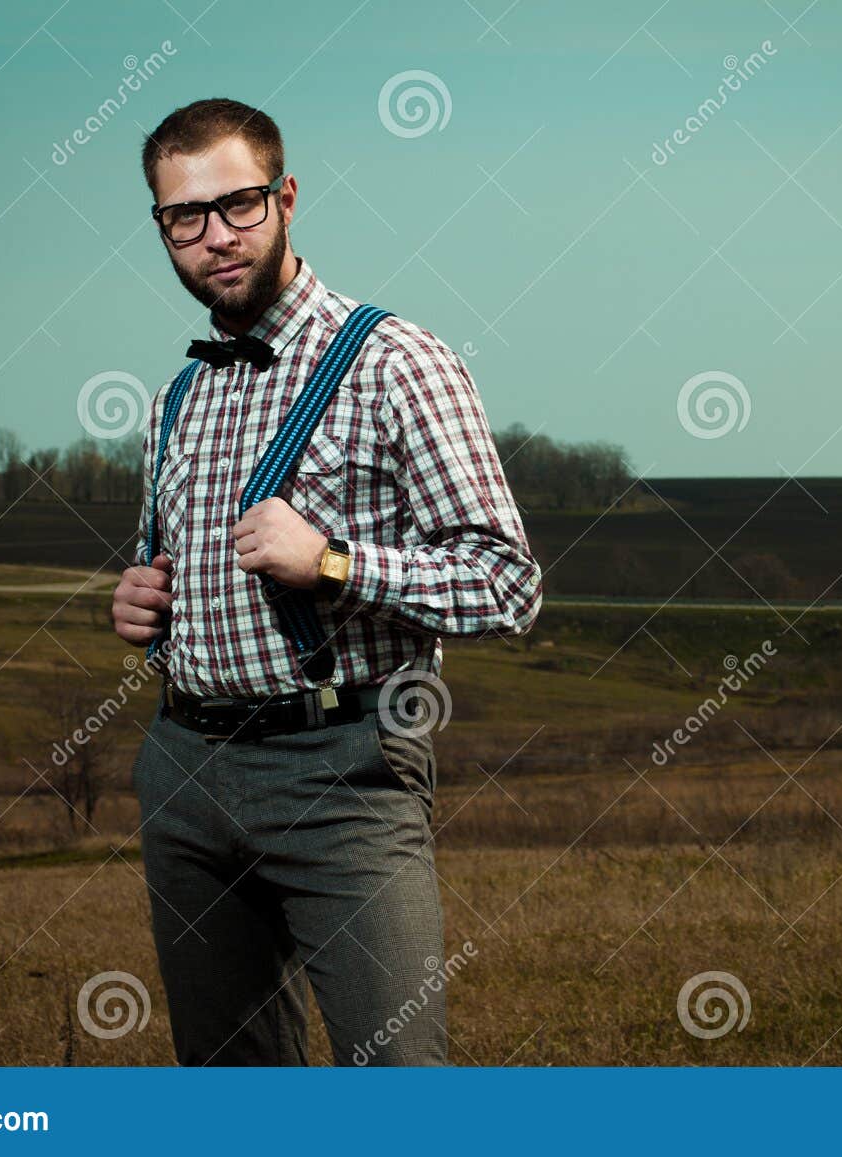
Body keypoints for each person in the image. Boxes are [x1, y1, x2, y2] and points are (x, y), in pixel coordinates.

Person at [110, 97, 541, 1066]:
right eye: (187, 216)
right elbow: (185, 582)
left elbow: (507, 584)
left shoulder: (397, 362)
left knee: (396, 1077)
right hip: (183, 764)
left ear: (287, 197)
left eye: (239, 204)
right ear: (162, 227)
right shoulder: (175, 397)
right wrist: (144, 607)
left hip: (341, 766)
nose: (216, 237)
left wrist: (335, 562)